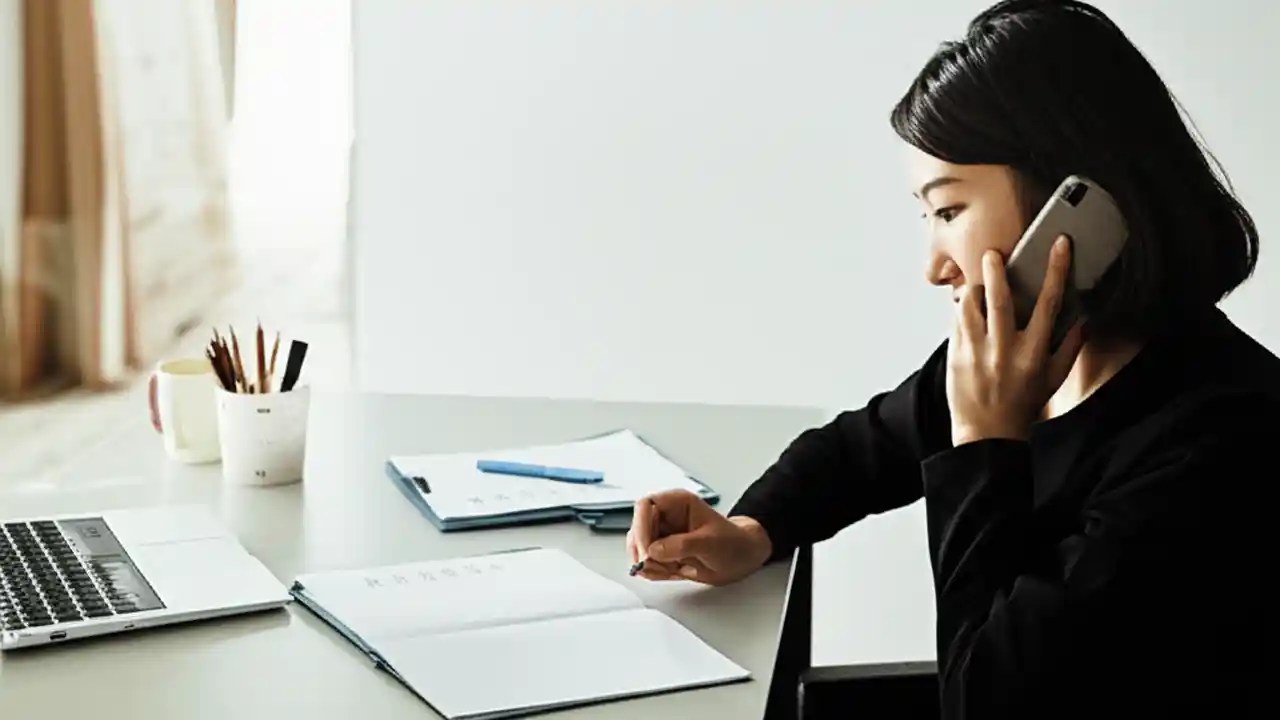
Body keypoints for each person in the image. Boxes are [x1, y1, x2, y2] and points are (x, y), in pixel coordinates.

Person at [625, 1, 1277, 716]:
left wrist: (988, 440)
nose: (935, 266)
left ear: (1081, 208)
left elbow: (985, 701)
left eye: (949, 212)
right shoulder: (1034, 355)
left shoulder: (1217, 439)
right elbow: (861, 447)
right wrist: (753, 531)